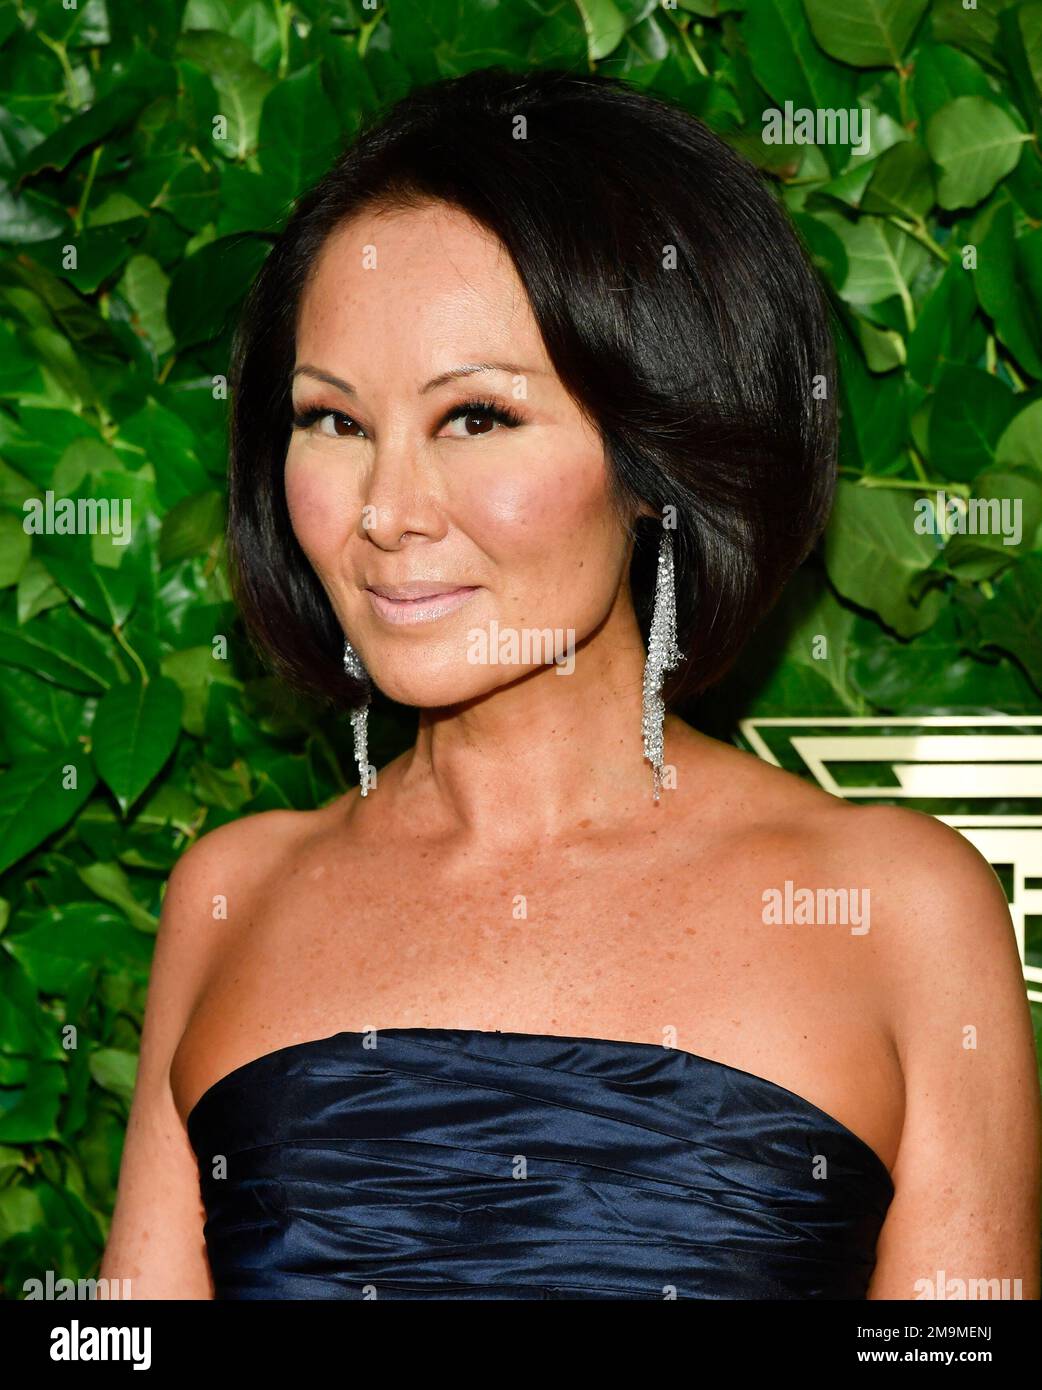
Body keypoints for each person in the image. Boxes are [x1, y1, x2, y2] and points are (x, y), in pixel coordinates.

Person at [101, 67, 1040, 1300]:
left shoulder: (900, 911)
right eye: (333, 421)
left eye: (477, 418)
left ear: (654, 455)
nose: (385, 512)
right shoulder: (233, 893)